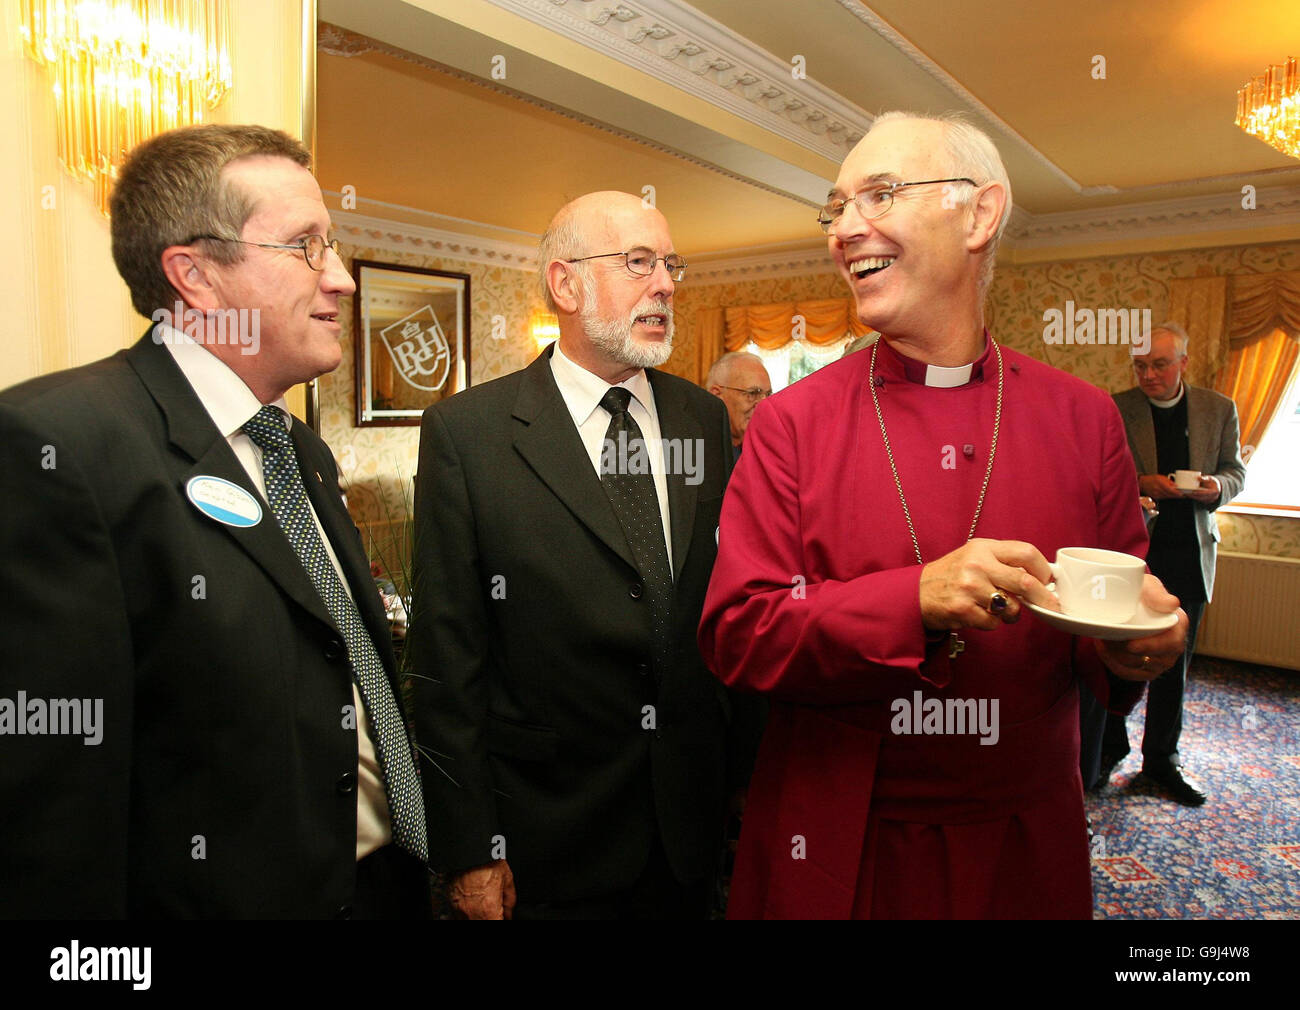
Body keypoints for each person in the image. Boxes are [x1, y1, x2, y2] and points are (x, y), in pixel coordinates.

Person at [698, 112, 1189, 920]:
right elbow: (737, 634)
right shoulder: (792, 423)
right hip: (839, 834)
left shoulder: (1085, 419)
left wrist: (1140, 651)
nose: (846, 228)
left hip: (1022, 835)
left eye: (881, 194)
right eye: (836, 208)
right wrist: (912, 599)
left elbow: (1108, 640)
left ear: (979, 214)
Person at [0, 124, 429, 918]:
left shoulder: (296, 445)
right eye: (305, 246)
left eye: (330, 245)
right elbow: (50, 810)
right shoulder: (58, 446)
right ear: (193, 275)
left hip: (378, 887)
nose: (341, 279)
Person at [408, 191, 756, 919]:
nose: (664, 283)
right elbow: (448, 662)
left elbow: (726, 605)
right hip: (545, 840)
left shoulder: (701, 417)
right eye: (637, 262)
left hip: (690, 834)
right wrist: (469, 847)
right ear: (564, 284)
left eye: (669, 265)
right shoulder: (467, 435)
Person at [1100, 323, 1245, 805]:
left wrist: (1216, 489)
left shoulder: (1218, 408)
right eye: (1139, 366)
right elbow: (1102, 472)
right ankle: (1108, 749)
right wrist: (1145, 482)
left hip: (1191, 549)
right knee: (1117, 654)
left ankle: (1161, 760)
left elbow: (1236, 473)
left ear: (1183, 362)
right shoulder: (1117, 408)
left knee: (1173, 661)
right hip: (1134, 552)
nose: (1148, 375)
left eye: (1159, 364)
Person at [705, 351, 772, 461]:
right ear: (716, 395)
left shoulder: (768, 451)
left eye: (768, 394)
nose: (764, 405)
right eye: (752, 393)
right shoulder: (692, 449)